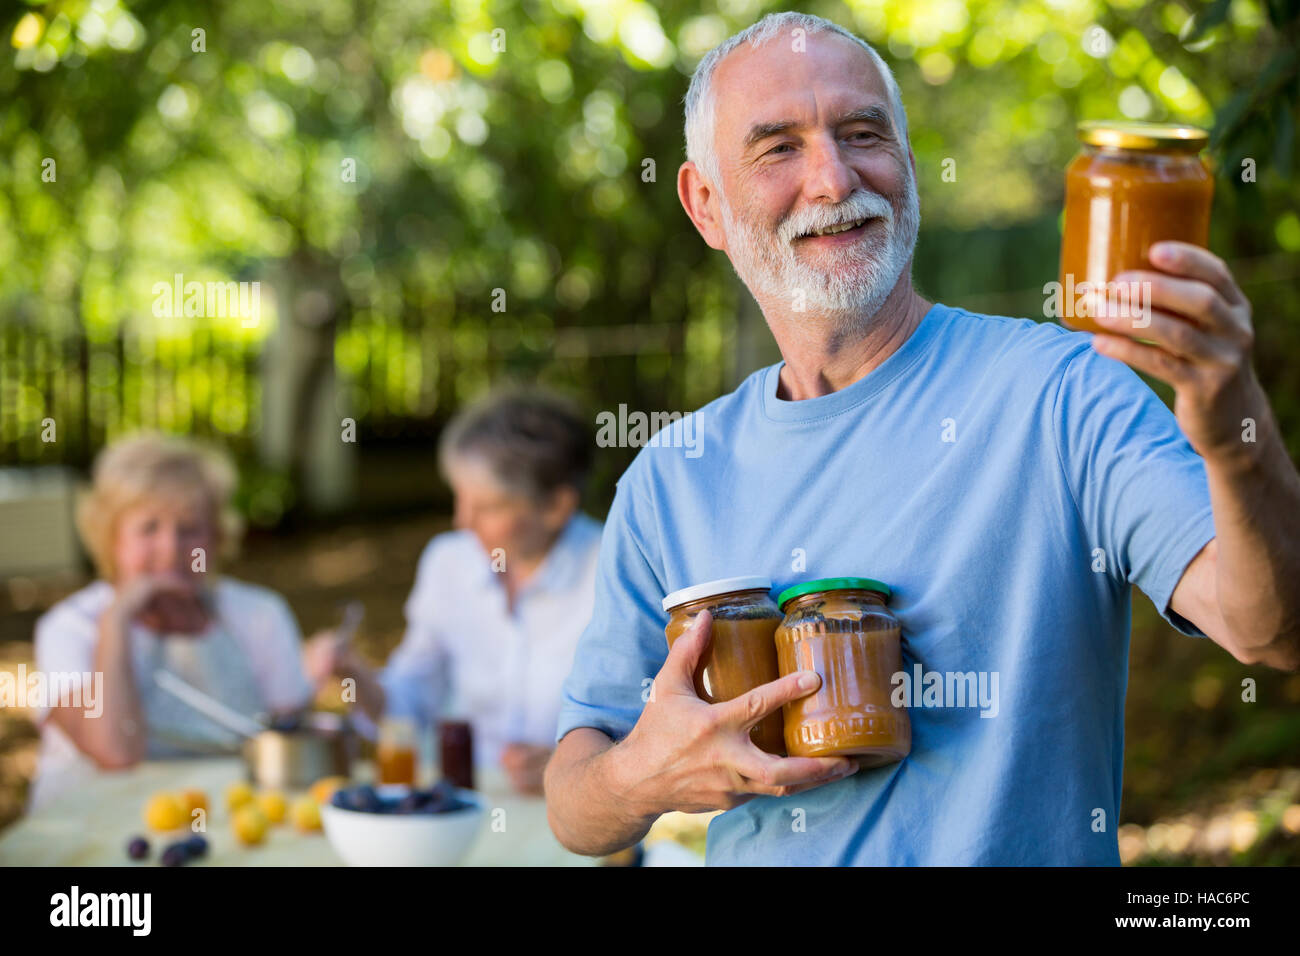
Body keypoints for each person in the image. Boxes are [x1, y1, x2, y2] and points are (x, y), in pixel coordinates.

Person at [544, 11, 1300, 865]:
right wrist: (642, 778)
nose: (834, 179)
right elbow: (574, 803)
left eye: (863, 134)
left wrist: (1233, 430)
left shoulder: (1061, 395)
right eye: (778, 148)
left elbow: (1271, 629)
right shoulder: (668, 478)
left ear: (908, 162)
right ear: (706, 203)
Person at [307, 388, 602, 795]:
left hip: (580, 823)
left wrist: (580, 767)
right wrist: (353, 674)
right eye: (460, 497)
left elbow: (650, 725)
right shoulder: (449, 562)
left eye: (487, 507)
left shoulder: (611, 573)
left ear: (556, 506)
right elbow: (408, 710)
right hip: (464, 809)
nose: (462, 521)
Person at [29, 433, 317, 809]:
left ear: (217, 537)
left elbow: (290, 748)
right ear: (111, 538)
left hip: (225, 822)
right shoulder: (69, 628)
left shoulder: (260, 614)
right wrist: (116, 620)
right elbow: (116, 752)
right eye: (148, 528)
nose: (171, 550)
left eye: (189, 529)